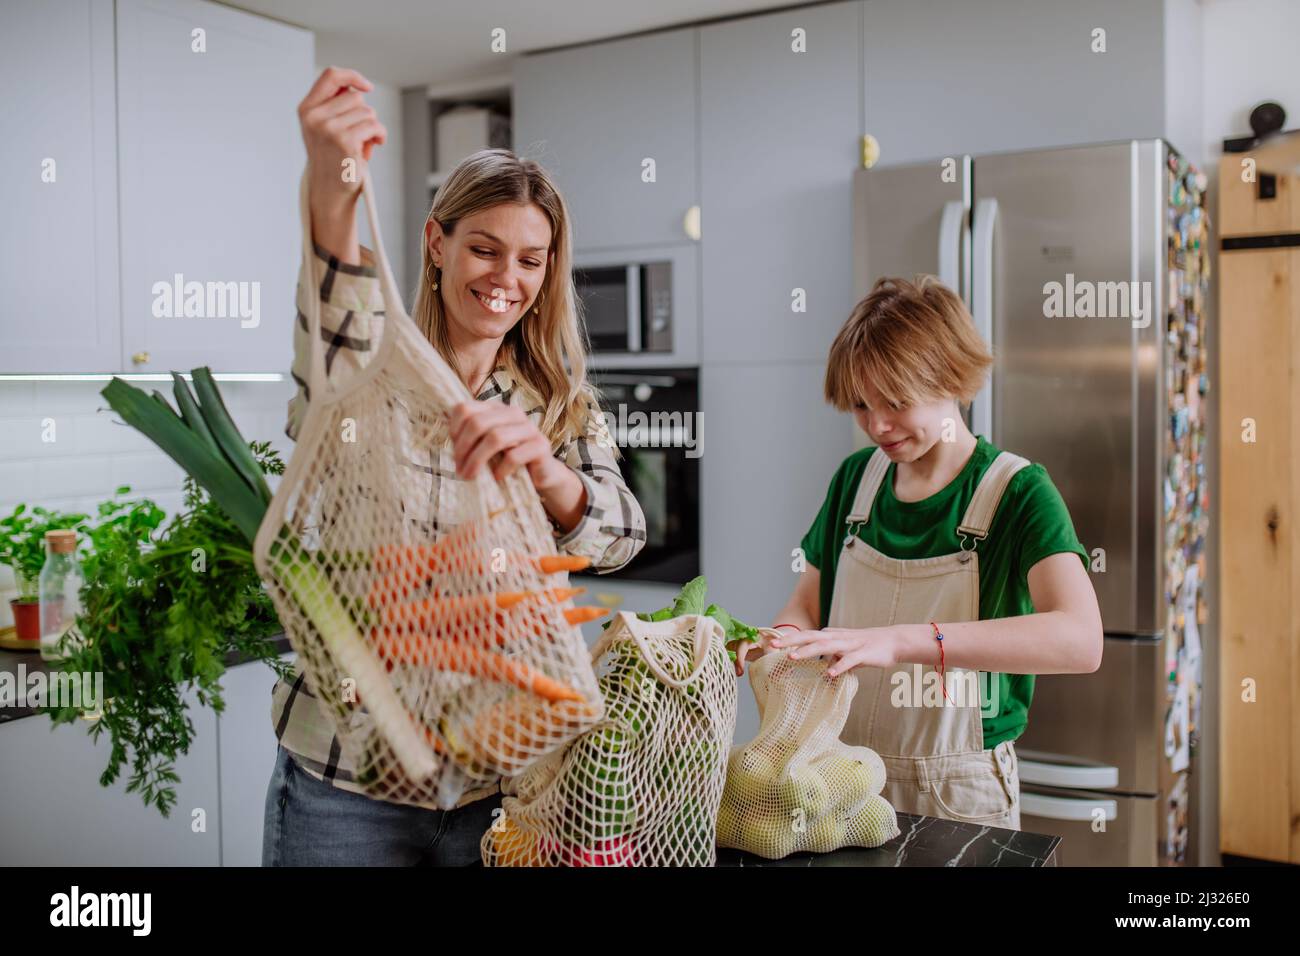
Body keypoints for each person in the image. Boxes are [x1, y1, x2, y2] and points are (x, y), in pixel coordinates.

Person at [263, 67, 646, 866]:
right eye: (484, 248)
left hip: (494, 783)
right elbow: (332, 288)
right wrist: (334, 179)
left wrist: (546, 469)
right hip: (345, 778)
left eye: (531, 261)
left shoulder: (558, 398)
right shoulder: (369, 362)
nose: (507, 279)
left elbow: (619, 537)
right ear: (437, 242)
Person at [738, 275, 1102, 830]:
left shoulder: (1019, 491)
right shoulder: (855, 482)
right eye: (860, 405)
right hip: (838, 775)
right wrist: (781, 646)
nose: (877, 425)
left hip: (958, 790)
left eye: (897, 402)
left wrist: (903, 640)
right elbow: (806, 607)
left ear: (952, 380)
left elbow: (1080, 641)